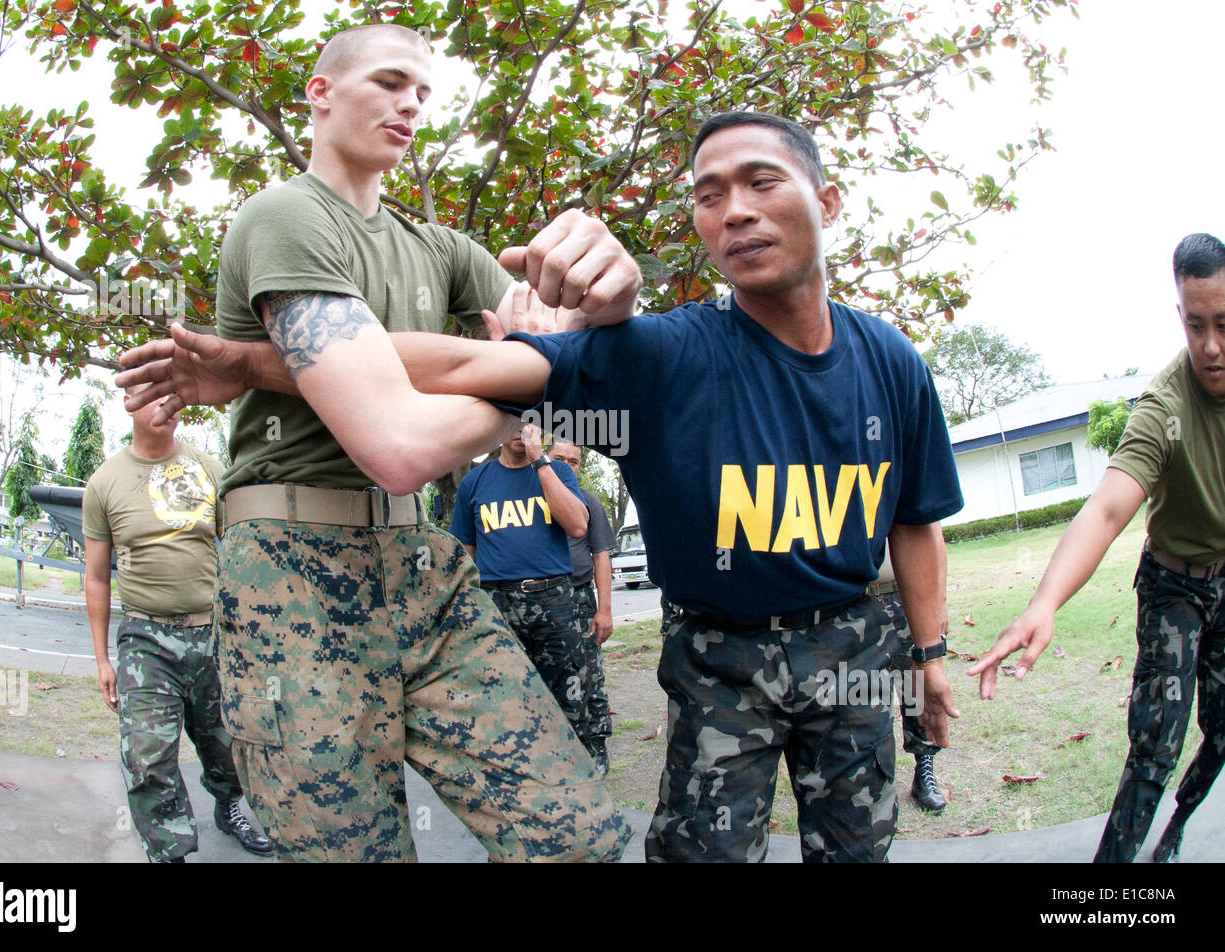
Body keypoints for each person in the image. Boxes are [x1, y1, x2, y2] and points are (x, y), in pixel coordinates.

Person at [120, 111, 963, 863]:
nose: (735, 208)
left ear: (829, 200)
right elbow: (460, 362)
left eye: (761, 181)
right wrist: (248, 364)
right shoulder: (663, 354)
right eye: (710, 195)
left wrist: (930, 656)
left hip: (853, 649)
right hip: (721, 660)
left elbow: (916, 521)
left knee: (858, 847)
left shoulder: (890, 361)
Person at [118, 23, 638, 862]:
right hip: (290, 567)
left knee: (581, 836)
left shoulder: (442, 248)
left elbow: (575, 337)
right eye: (392, 81)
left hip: (417, 559)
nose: (412, 105)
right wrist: (521, 380)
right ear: (319, 93)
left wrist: (605, 297)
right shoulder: (285, 216)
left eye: (425, 94)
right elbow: (394, 442)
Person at [972, 233, 1225, 863]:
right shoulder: (1164, 408)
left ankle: (1175, 835)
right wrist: (1044, 601)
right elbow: (1109, 507)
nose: (1212, 346)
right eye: (1197, 326)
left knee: (1222, 734)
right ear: (1180, 318)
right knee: (1156, 747)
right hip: (1175, 588)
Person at [85, 386, 271, 862]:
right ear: (128, 401)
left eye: (173, 396)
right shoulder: (105, 484)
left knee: (227, 747)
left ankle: (227, 806)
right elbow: (95, 577)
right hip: (145, 639)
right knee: (147, 756)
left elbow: (238, 551)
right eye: (152, 396)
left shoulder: (210, 470)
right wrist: (103, 658)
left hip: (212, 633)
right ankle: (170, 852)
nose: (167, 406)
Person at [449, 425, 594, 758]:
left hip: (553, 600)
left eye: (529, 420)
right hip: (496, 601)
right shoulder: (475, 481)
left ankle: (572, 771)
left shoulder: (556, 470)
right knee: (504, 694)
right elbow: (464, 552)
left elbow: (577, 525)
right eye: (510, 420)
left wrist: (539, 461)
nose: (520, 428)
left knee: (568, 694)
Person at [549, 440, 617, 776]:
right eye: (558, 458)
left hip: (578, 598)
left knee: (589, 675)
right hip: (540, 602)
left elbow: (601, 556)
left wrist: (604, 609)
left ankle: (597, 749)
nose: (566, 466)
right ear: (545, 456)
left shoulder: (588, 501)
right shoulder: (530, 498)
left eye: (573, 462)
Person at [873, 546, 949, 813]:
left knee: (915, 687)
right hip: (853, 604)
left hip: (905, 595)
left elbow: (931, 538)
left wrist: (938, 603)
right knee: (860, 697)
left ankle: (924, 770)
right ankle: (871, 782)